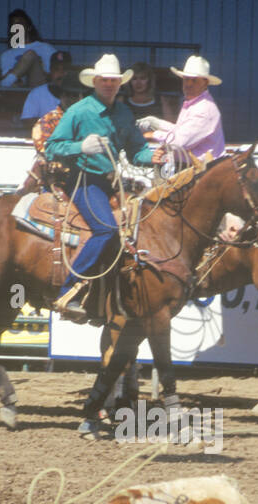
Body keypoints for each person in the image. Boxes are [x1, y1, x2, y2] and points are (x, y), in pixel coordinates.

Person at [44, 54, 158, 318]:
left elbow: (136, 150)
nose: (109, 84)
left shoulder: (123, 112)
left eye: (114, 81)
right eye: (104, 80)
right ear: (95, 82)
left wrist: (153, 157)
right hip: (83, 180)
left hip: (110, 181)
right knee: (105, 229)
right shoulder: (79, 111)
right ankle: (68, 292)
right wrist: (79, 147)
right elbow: (52, 148)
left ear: (120, 84)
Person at [138, 55, 226, 163]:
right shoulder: (196, 104)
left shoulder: (204, 110)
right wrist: (158, 123)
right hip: (196, 169)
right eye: (186, 79)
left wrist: (153, 134)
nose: (188, 84)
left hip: (203, 172)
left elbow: (178, 143)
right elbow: (182, 131)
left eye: (194, 81)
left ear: (205, 83)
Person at [0, 9, 56, 89]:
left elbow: (54, 76)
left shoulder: (46, 48)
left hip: (39, 88)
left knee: (30, 54)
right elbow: (7, 75)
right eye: (13, 25)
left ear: (29, 27)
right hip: (18, 90)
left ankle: (0, 86)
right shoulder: (6, 55)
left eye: (20, 24)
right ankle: (3, 85)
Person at [20, 50, 73, 125]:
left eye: (64, 69)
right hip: (44, 135)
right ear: (50, 71)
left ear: (70, 71)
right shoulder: (37, 93)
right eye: (56, 69)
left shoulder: (78, 94)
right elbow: (27, 120)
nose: (61, 73)